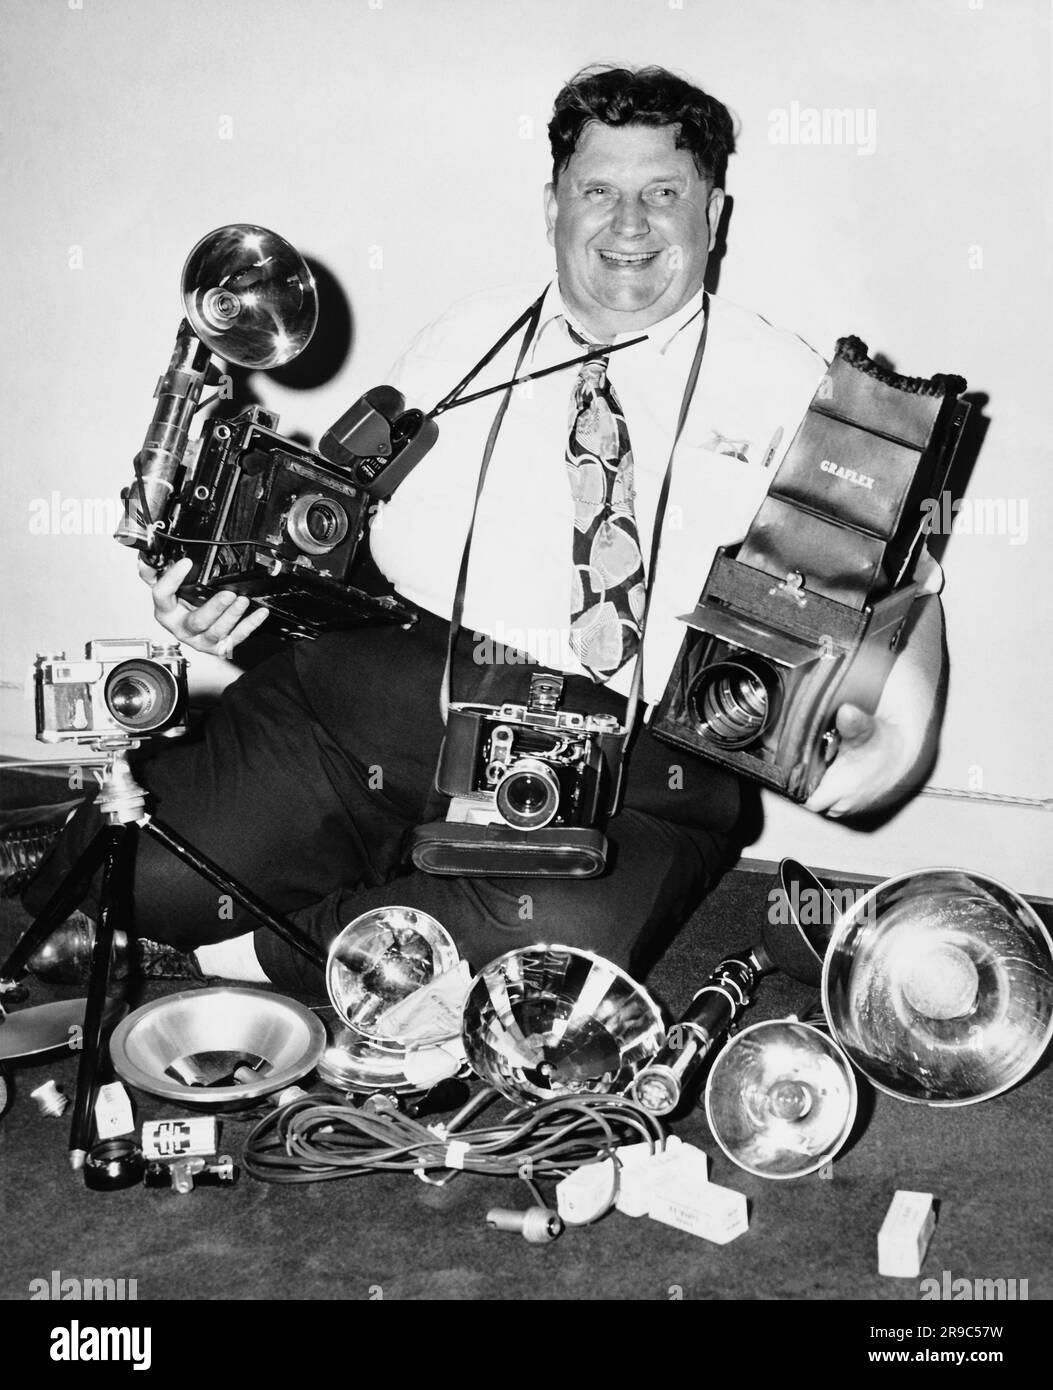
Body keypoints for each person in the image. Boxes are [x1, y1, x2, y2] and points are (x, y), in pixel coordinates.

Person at [20, 64, 947, 993]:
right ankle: (375, 912)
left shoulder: (804, 392)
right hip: (372, 707)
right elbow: (343, 542)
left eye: (663, 193)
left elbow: (907, 601)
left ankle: (253, 953)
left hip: (626, 765)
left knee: (552, 952)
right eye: (598, 191)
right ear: (553, 204)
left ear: (715, 214)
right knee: (120, 876)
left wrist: (894, 730)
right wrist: (233, 607)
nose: (629, 225)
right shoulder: (461, 338)